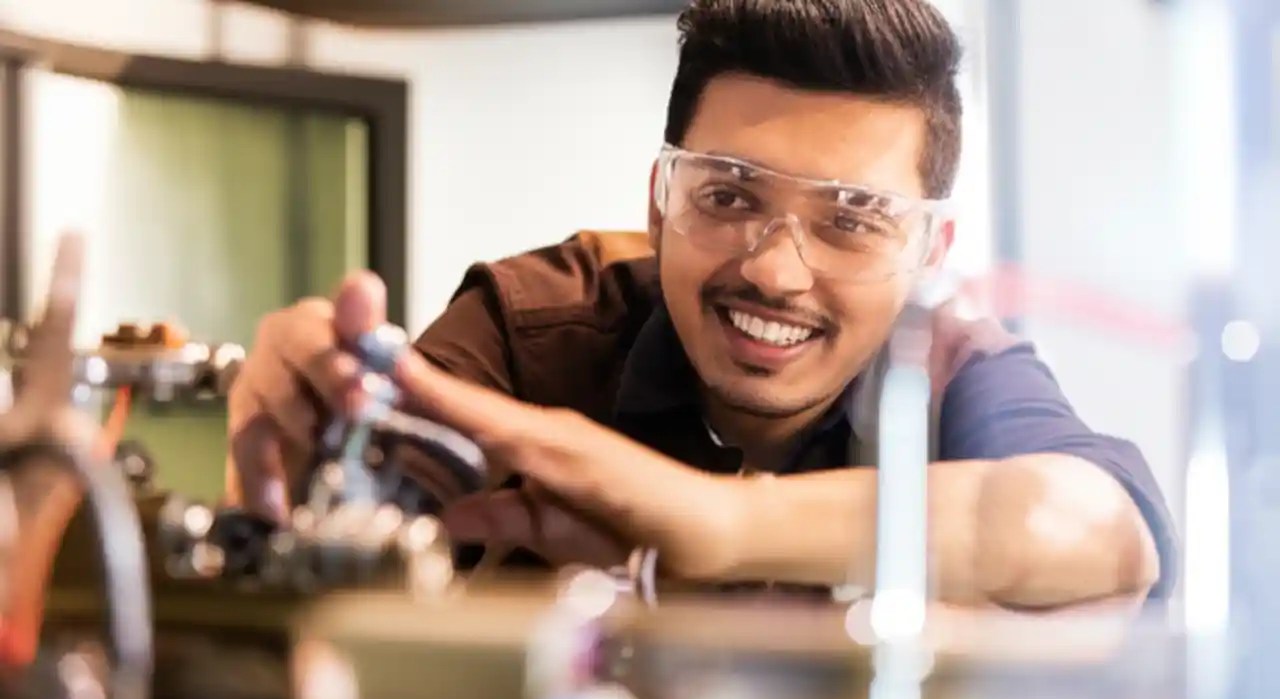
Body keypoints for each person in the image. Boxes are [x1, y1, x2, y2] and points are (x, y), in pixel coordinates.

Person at [225, 0, 1176, 609]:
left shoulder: (955, 369)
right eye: (728, 196)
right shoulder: (537, 326)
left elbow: (1100, 530)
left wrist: (716, 525)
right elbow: (361, 496)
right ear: (660, 201)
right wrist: (314, 424)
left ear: (930, 253)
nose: (775, 273)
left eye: (851, 222)